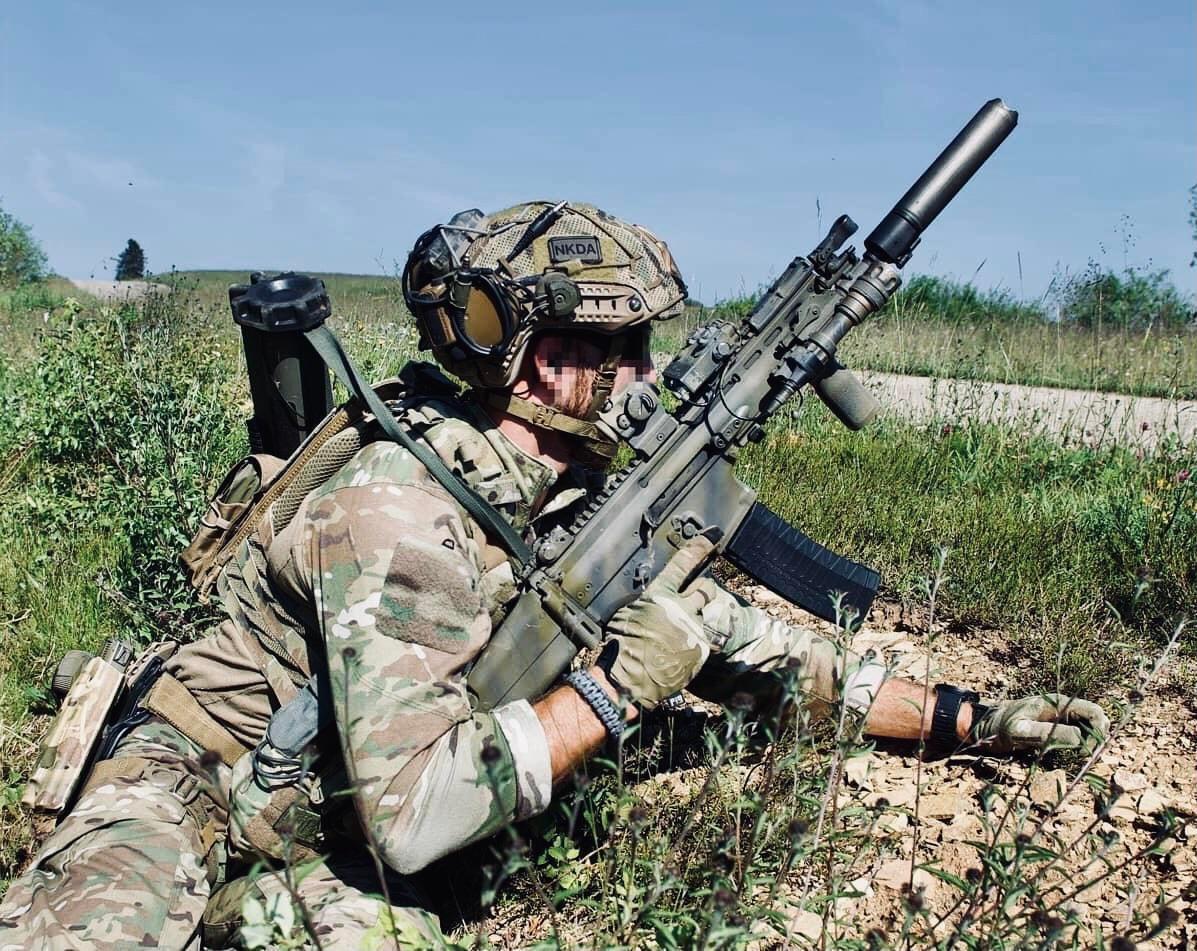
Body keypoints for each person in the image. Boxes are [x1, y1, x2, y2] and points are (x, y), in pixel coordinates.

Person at [0, 201, 1108, 950]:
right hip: (200, 774)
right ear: (529, 360)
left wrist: (972, 717)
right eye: (615, 351)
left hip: (345, 804)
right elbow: (414, 820)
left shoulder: (570, 503)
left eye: (643, 346)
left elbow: (769, 656)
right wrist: (613, 692)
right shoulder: (402, 514)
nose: (643, 374)